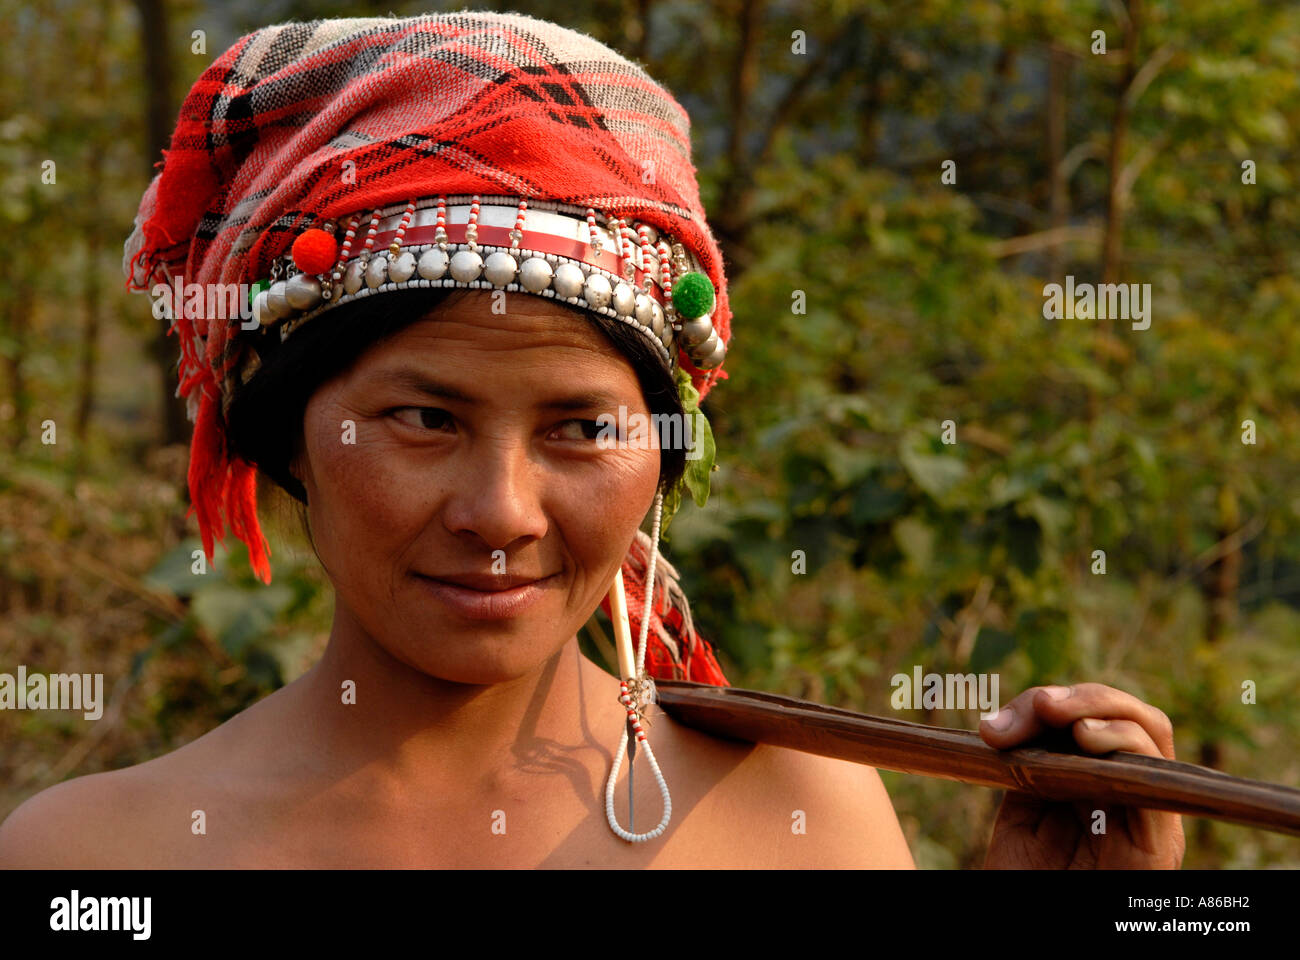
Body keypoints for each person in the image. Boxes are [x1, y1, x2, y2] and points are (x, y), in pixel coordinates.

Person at [0, 12, 1182, 869]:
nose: (501, 510)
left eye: (580, 428)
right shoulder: (94, 861)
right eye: (424, 418)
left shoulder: (804, 815)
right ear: (285, 433)